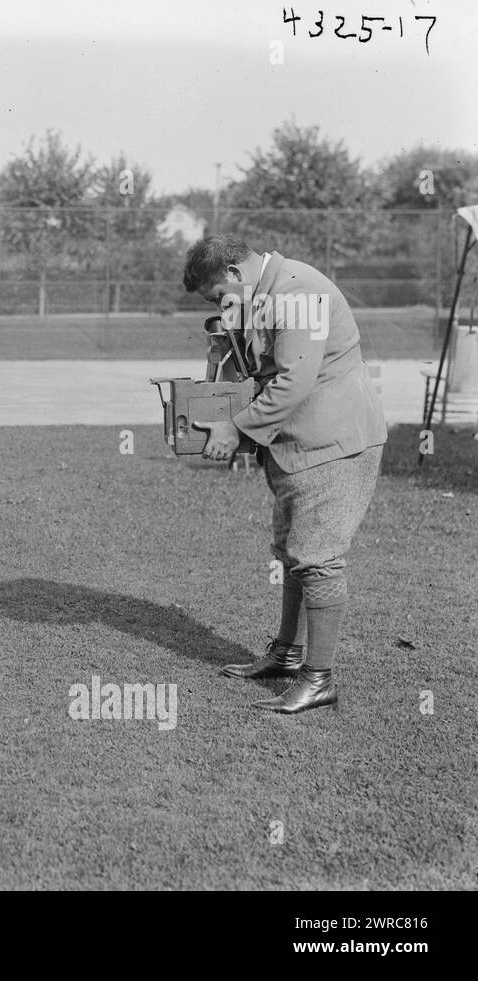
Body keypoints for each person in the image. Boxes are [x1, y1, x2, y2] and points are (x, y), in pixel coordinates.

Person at [183, 235, 387, 714]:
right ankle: (287, 655)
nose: (220, 304)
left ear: (235, 272)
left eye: (218, 295)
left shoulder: (298, 294)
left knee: (317, 558)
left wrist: (236, 429)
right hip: (295, 445)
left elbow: (294, 378)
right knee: (295, 555)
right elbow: (260, 365)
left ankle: (318, 679)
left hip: (332, 445)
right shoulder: (264, 292)